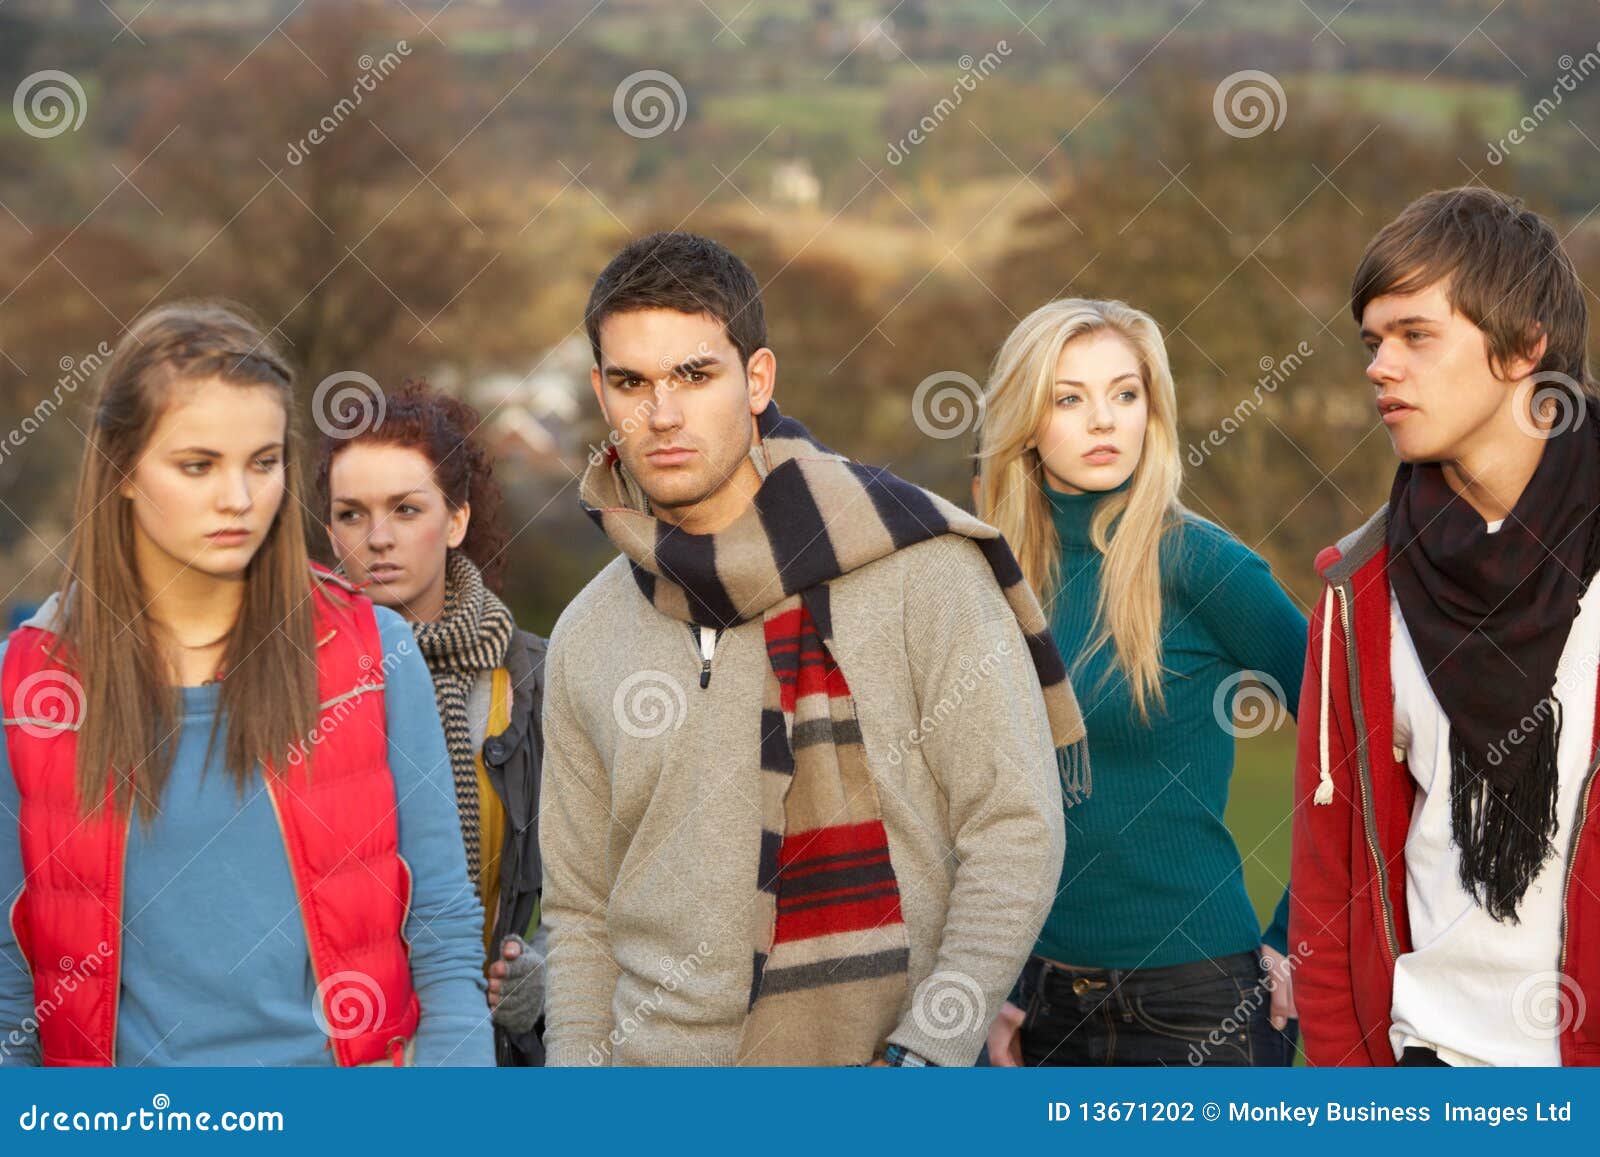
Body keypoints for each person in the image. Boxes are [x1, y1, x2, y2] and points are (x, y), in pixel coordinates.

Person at [539, 230, 1088, 1067]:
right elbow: (578, 908)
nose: (663, 414)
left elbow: (1015, 827)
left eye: (695, 375)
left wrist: (931, 1051)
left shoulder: (918, 566)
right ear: (600, 394)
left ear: (757, 380)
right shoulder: (588, 631)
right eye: (632, 382)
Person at [0, 301, 491, 1067]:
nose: (239, 498)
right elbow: (10, 982)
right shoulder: (28, 686)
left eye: (263, 463)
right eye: (198, 465)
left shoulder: (372, 654)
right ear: (123, 472)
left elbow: (444, 935)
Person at [1292, 187, 1600, 1066]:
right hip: (1427, 1069)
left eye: (1415, 336)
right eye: (1373, 342)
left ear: (1523, 346)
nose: (1380, 367)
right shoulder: (1360, 591)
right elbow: (1327, 881)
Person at [977, 298, 1305, 1067]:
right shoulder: (992, 579)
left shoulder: (1202, 563)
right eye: (1070, 398)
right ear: (1027, 419)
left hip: (1199, 1001)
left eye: (1125, 394)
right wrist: (995, 979)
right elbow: (980, 806)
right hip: (1042, 1007)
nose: (1104, 421)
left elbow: (1359, 742)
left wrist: (1303, 937)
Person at [320, 379, 548, 1066]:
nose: (378, 538)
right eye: (352, 514)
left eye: (406, 509)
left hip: (483, 1047)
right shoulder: (286, 677)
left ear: (454, 521)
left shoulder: (536, 680)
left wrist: (541, 975)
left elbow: (595, 890)